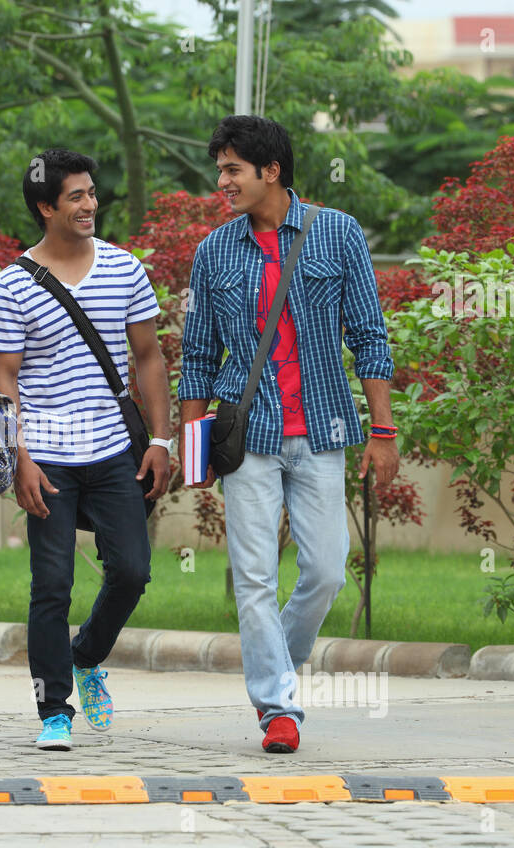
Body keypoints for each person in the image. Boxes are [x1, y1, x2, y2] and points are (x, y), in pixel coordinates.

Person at [179, 114, 398, 754]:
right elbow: (196, 354)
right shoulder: (214, 250)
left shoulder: (338, 235)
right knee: (253, 575)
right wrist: (192, 444)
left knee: (327, 570)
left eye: (232, 170)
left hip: (324, 429)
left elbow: (369, 336)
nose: (222, 182)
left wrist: (381, 430)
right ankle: (277, 707)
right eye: (220, 170)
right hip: (249, 438)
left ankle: (276, 665)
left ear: (270, 171)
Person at [0, 148, 172, 751]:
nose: (91, 204)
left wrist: (162, 440)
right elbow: (2, 379)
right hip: (46, 454)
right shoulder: (14, 283)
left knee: (133, 571)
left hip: (115, 448)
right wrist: (18, 460)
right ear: (46, 208)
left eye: (92, 193)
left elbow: (149, 356)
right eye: (77, 197)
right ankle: (53, 709)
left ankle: (86, 655)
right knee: (52, 584)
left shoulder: (124, 267)